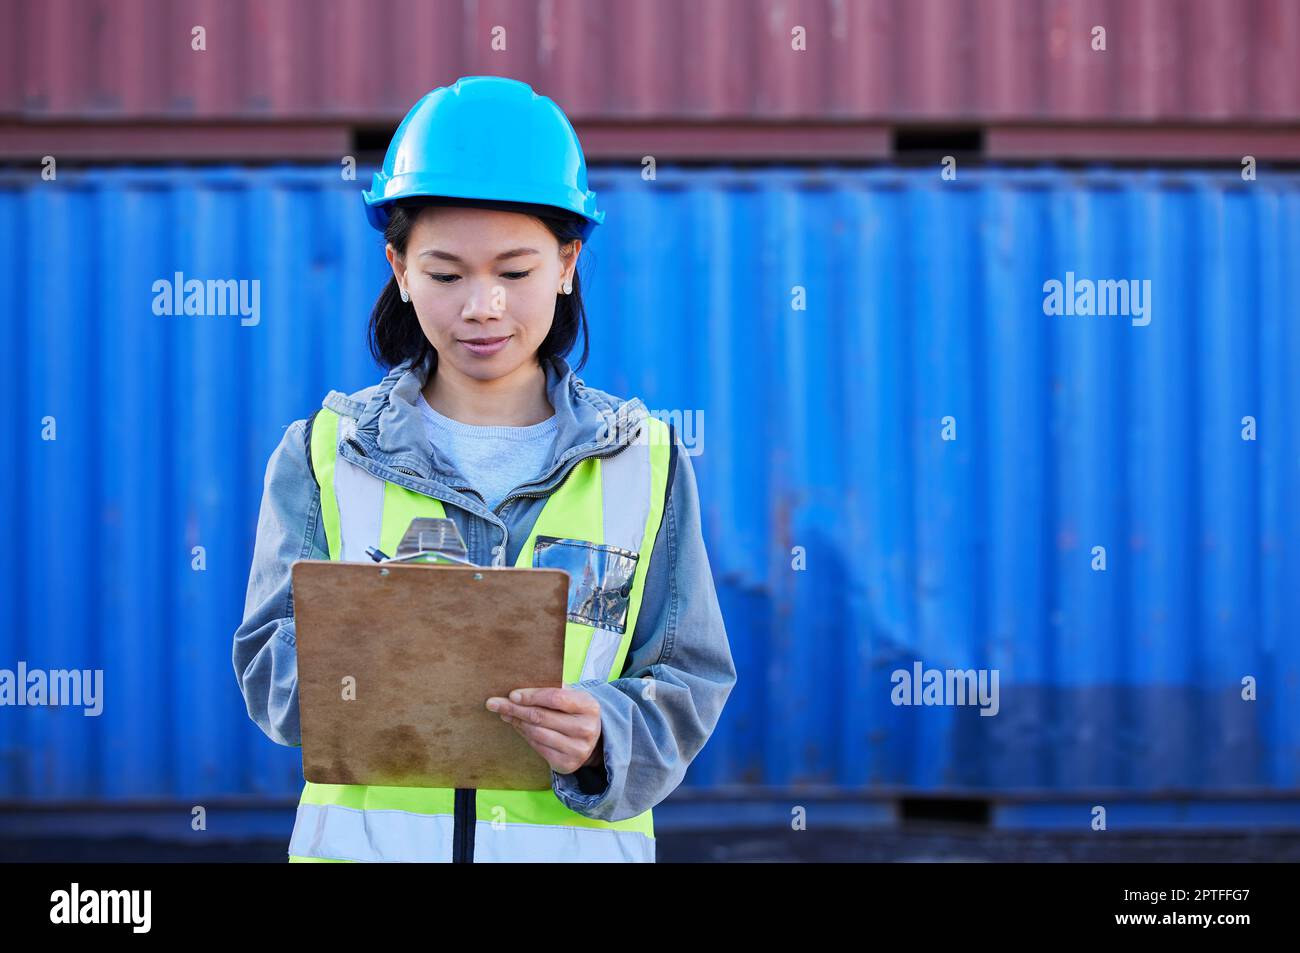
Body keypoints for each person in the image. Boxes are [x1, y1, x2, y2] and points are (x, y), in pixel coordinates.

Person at [231, 75, 736, 862]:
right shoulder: (326, 453)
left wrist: (607, 732)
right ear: (398, 266)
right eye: (445, 273)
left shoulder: (647, 462)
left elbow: (688, 676)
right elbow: (269, 666)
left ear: (568, 262)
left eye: (514, 270)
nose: (482, 306)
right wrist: (384, 669)